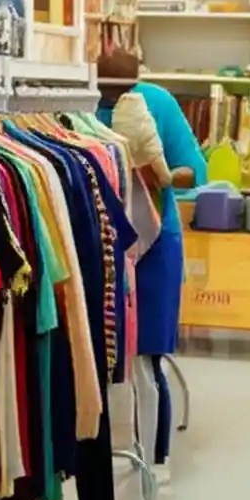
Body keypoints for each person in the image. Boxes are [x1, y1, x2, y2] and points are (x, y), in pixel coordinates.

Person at [95, 49, 206, 466]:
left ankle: (156, 459)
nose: (113, 98)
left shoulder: (156, 103)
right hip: (103, 241)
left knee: (146, 355)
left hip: (156, 240)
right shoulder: (79, 107)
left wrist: (160, 173)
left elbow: (194, 170)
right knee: (104, 352)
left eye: (122, 89)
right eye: (106, 91)